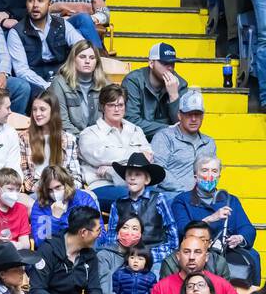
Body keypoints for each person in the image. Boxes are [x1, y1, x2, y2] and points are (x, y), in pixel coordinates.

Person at [26, 204, 129, 294]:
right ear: (83, 233)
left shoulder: (90, 255)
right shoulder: (48, 250)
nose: (100, 235)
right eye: (98, 230)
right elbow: (36, 291)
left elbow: (95, 287)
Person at [167, 156, 259, 286]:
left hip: (227, 251)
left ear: (219, 175)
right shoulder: (182, 200)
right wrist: (211, 218)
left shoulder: (230, 200)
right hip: (196, 252)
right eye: (204, 170)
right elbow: (183, 229)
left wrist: (240, 238)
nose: (209, 176)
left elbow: (248, 228)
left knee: (253, 255)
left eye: (214, 171)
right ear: (195, 175)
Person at [77, 84, 150, 214]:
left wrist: (110, 169)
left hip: (136, 183)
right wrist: (137, 154)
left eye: (120, 105)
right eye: (111, 105)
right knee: (135, 197)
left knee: (158, 195)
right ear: (102, 107)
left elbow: (148, 157)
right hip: (102, 185)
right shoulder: (89, 134)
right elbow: (102, 156)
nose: (117, 109)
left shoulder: (135, 130)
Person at [100, 152, 177, 266]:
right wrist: (124, 255)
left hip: (154, 256)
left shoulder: (159, 199)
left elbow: (172, 231)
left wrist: (151, 256)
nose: (132, 177)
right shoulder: (117, 204)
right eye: (129, 174)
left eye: (137, 174)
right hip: (125, 257)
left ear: (146, 180)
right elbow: (111, 236)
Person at [7, 0, 83, 94]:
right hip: (35, 81)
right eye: (31, 0)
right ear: (26, 4)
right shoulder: (16, 32)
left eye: (40, 0)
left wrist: (71, 74)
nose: (35, 5)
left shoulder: (62, 24)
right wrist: (47, 86)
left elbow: (81, 47)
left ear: (49, 4)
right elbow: (22, 71)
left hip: (62, 75)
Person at [152, 90, 216, 195]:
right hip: (171, 196)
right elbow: (158, 170)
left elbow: (212, 173)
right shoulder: (164, 137)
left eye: (198, 114)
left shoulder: (209, 142)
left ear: (203, 116)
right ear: (179, 115)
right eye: (189, 114)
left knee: (232, 203)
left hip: (201, 197)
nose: (194, 119)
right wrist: (185, 192)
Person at [20, 92, 82, 191]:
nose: (37, 114)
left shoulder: (68, 139)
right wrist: (44, 190)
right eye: (34, 110)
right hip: (38, 190)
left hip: (63, 189)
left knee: (91, 197)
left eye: (42, 109)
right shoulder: (24, 138)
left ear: (53, 111)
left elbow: (76, 175)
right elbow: (25, 175)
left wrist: (65, 190)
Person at [29, 162, 98, 244]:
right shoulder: (40, 206)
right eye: (50, 190)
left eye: (58, 187)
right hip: (56, 252)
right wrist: (55, 218)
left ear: (66, 184)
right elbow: (41, 242)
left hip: (85, 249)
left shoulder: (83, 199)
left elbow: (99, 234)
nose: (54, 193)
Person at [49, 39, 108, 135]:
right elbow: (61, 122)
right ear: (73, 59)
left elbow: (112, 119)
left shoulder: (105, 85)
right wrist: (82, 138)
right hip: (71, 138)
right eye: (82, 57)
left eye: (92, 58)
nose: (87, 61)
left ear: (97, 62)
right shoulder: (59, 83)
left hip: (100, 139)